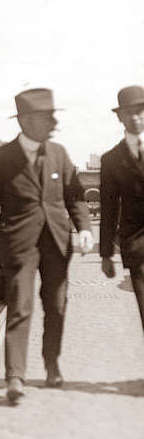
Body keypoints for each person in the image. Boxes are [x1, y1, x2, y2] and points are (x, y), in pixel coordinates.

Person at [0, 88, 93, 404]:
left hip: (57, 242)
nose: (54, 123)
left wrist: (84, 227)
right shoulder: (0, 159)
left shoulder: (59, 153)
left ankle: (51, 362)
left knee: (56, 305)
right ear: (26, 121)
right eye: (47, 118)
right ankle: (15, 375)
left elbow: (75, 197)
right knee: (20, 305)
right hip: (18, 245)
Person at [99, 85, 144, 334]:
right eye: (129, 113)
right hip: (138, 247)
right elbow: (108, 207)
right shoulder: (112, 160)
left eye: (140, 111)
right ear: (120, 117)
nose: (135, 117)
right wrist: (106, 253)